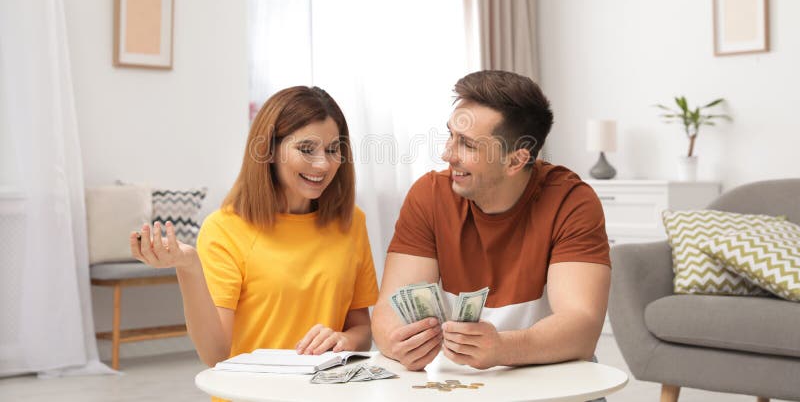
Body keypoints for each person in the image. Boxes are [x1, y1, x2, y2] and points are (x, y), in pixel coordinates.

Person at [372, 70, 611, 372]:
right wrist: (397, 342)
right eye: (451, 136)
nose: (447, 154)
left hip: (549, 379)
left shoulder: (571, 201)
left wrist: (503, 348)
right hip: (461, 385)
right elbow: (388, 310)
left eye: (467, 145)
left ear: (515, 160)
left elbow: (582, 328)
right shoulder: (429, 195)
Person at [130, 86, 379, 374]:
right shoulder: (224, 229)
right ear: (269, 150)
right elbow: (215, 355)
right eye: (306, 149)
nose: (323, 163)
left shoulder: (351, 222)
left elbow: (362, 329)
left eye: (333, 150)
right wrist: (188, 266)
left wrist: (344, 339)